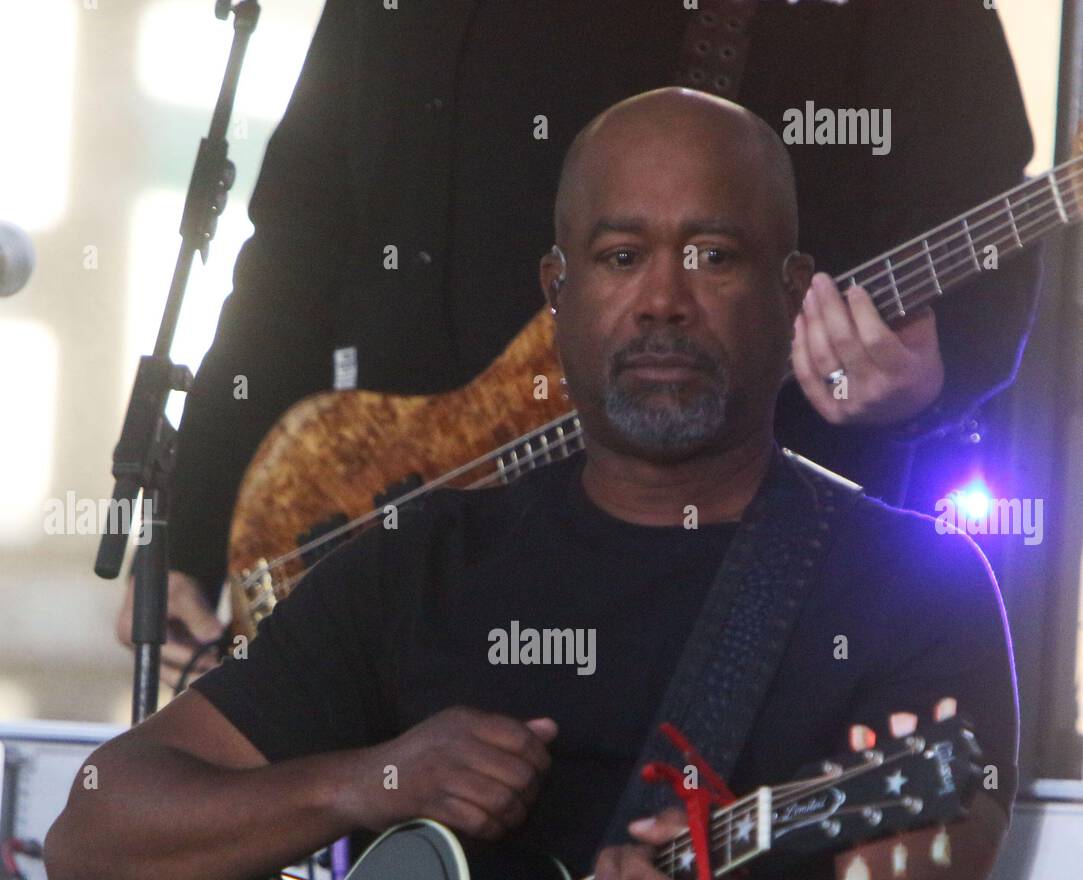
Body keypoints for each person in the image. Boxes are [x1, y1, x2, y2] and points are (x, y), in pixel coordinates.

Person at [49, 88, 1018, 880]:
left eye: (713, 253)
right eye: (621, 255)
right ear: (557, 292)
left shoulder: (909, 584)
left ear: (791, 288)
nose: (662, 297)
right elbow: (94, 836)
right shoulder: (419, 563)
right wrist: (376, 774)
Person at [116, 0, 1040, 686]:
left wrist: (931, 372)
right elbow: (298, 246)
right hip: (396, 572)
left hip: (704, 577)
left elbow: (985, 202)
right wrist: (193, 526)